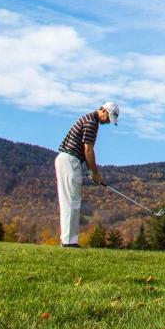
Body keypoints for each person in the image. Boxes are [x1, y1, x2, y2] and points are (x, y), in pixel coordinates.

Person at [55, 102, 119, 247]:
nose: (108, 122)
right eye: (108, 118)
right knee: (72, 201)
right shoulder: (91, 122)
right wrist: (95, 172)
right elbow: (88, 150)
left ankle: (68, 240)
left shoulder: (90, 120)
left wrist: (90, 170)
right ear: (103, 110)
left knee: (70, 201)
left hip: (70, 160)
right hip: (70, 160)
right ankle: (69, 242)